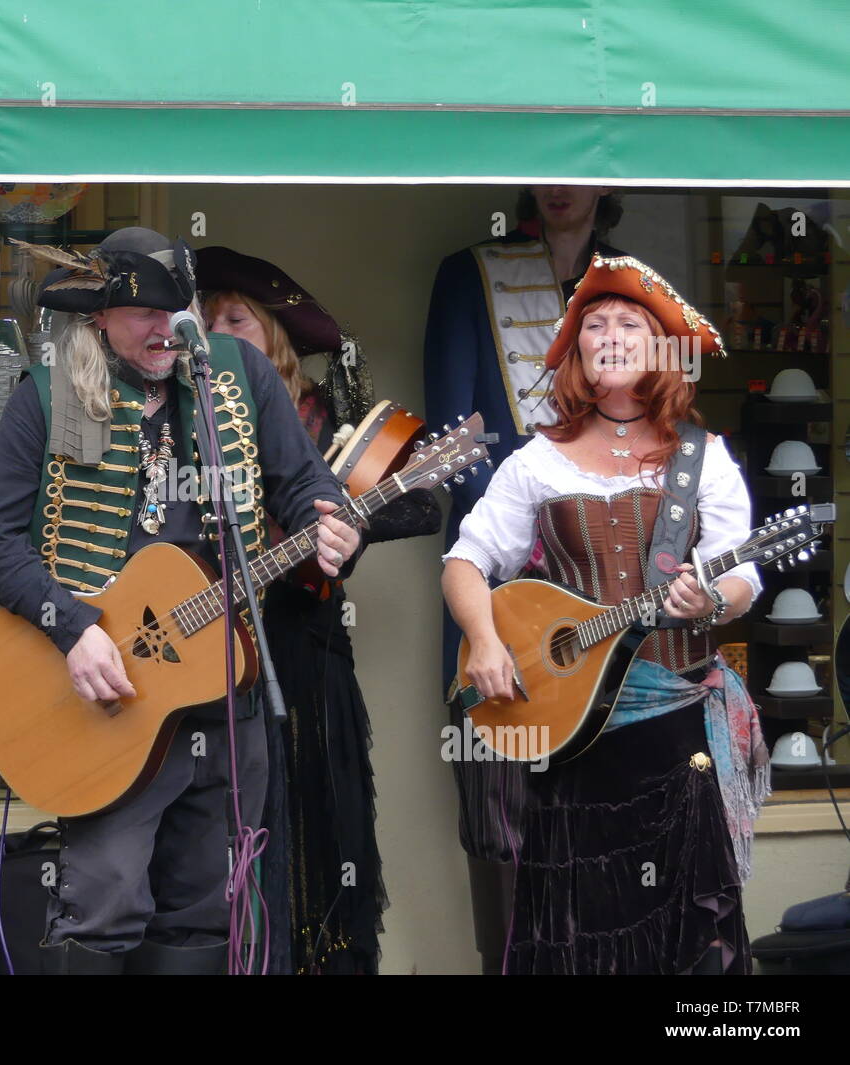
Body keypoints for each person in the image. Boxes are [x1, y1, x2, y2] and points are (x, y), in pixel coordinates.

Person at [0, 227, 361, 974]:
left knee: (209, 907)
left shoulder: (238, 374)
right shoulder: (51, 394)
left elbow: (306, 486)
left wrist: (327, 526)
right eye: (143, 311)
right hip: (107, 694)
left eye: (178, 307)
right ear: (98, 316)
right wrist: (72, 627)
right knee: (104, 899)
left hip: (221, 683)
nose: (164, 327)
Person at [442, 253, 768, 974]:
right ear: (576, 351)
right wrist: (485, 640)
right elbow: (465, 561)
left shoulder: (702, 458)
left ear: (661, 351)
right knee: (581, 929)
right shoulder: (537, 461)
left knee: (694, 932)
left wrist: (711, 597)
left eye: (630, 323)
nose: (611, 335)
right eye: (595, 324)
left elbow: (742, 572)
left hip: (676, 733)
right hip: (572, 739)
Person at [197, 245, 441, 974]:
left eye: (235, 320)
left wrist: (348, 521)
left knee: (318, 833)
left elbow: (425, 503)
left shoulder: (327, 420)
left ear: (274, 335)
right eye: (206, 321)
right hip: (210, 660)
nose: (217, 333)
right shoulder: (189, 413)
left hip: (305, 657)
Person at [422, 185, 628, 972]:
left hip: (618, 595)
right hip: (500, 593)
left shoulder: (631, 283)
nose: (562, 183)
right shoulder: (469, 275)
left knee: (614, 825)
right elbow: (456, 447)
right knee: (502, 823)